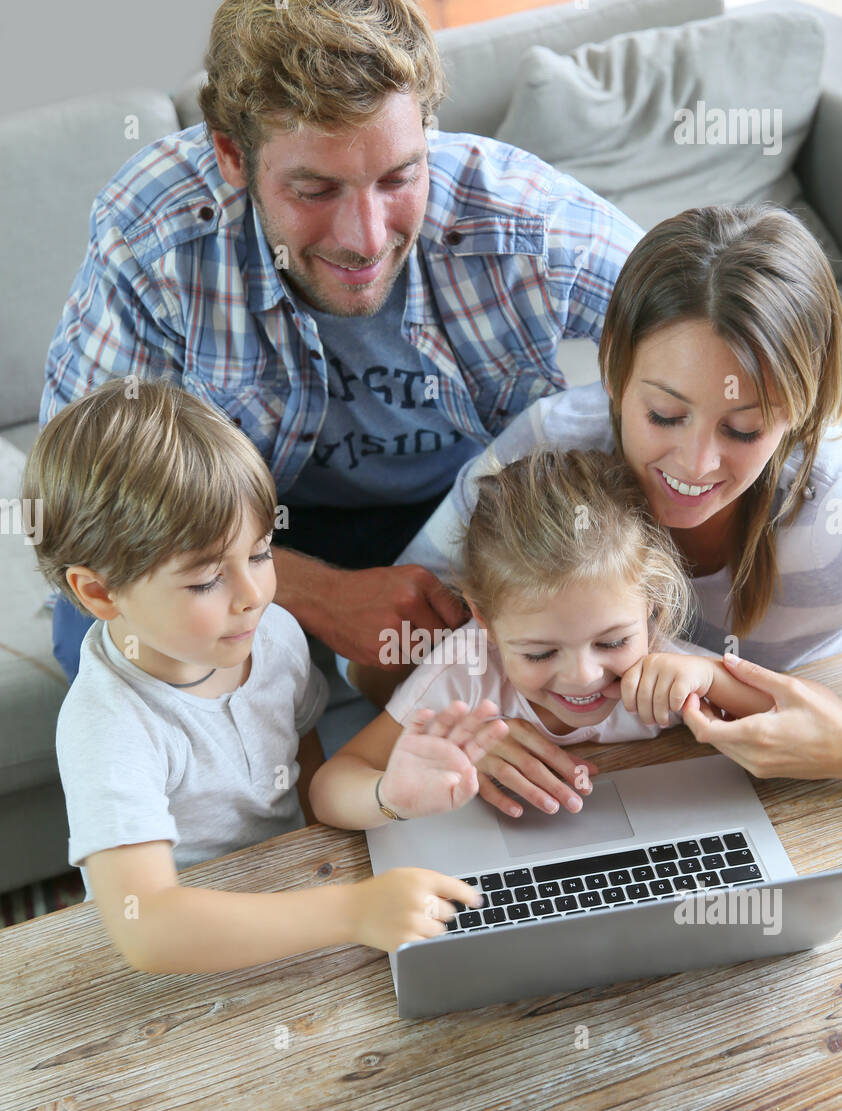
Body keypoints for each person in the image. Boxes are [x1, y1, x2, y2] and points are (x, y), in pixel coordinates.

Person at [39, 0, 645, 685]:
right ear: (233, 155)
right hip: (230, 531)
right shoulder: (154, 230)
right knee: (116, 646)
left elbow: (716, 325)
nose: (365, 237)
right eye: (315, 189)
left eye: (399, 177)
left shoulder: (519, 217)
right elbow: (84, 500)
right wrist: (317, 593)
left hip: (461, 503)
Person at [377, 204, 842, 795]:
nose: (695, 464)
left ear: (804, 410)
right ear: (612, 362)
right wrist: (472, 733)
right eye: (664, 414)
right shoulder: (546, 459)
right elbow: (382, 657)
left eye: (744, 429)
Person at [20, 379, 486, 973]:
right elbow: (150, 930)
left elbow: (305, 770)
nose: (254, 595)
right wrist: (352, 911)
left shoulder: (272, 635)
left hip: (298, 904)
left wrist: (387, 802)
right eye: (205, 580)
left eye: (262, 552)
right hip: (187, 967)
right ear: (99, 592)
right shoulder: (108, 724)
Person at [309, 448, 778, 830]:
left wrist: (712, 680)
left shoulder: (663, 662)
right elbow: (331, 786)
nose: (583, 676)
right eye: (540, 652)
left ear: (653, 607)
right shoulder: (464, 674)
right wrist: (391, 798)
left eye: (612, 642)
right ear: (485, 621)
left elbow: (790, 718)